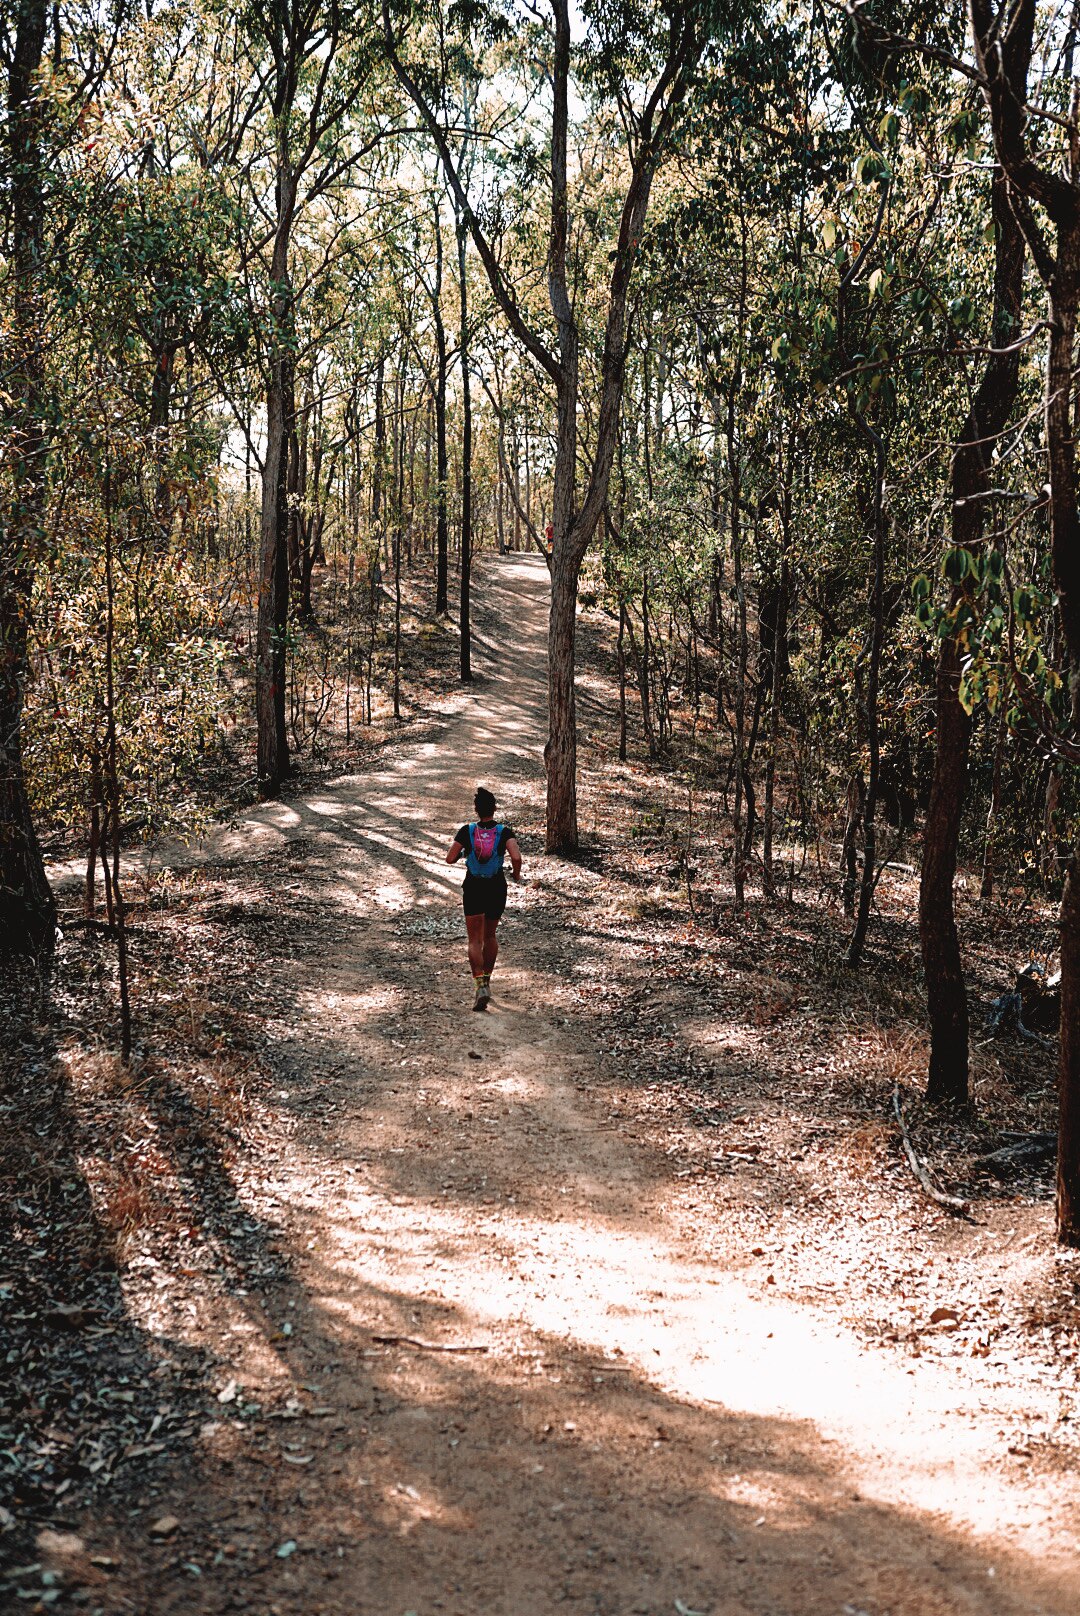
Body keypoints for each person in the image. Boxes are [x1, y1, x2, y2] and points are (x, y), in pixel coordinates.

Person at [445, 787, 522, 1011]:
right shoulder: (504, 832)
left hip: (474, 887)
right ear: (494, 808)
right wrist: (516, 875)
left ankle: (479, 986)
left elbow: (449, 858)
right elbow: (516, 857)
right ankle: (487, 980)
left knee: (474, 941)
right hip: (496, 887)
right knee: (490, 936)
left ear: (476, 810)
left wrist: (463, 853)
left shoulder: (467, 831)